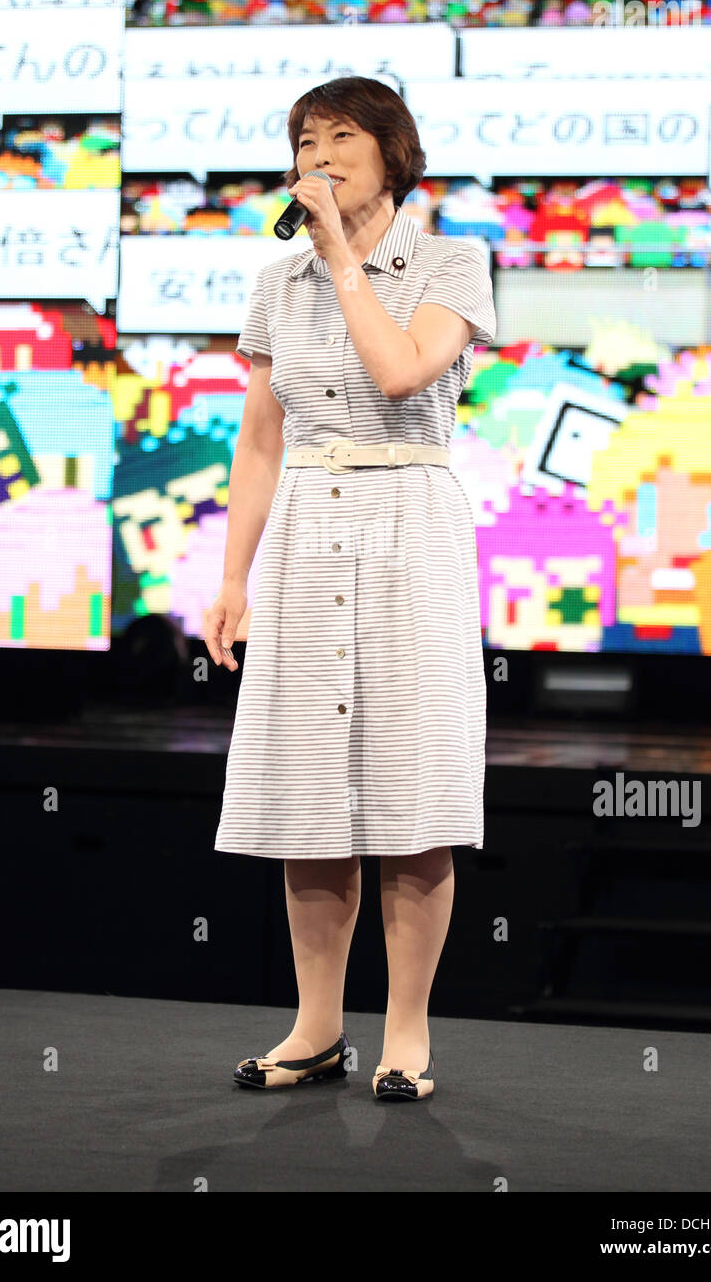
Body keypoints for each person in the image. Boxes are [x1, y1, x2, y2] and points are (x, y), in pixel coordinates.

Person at [205, 76, 496, 1103]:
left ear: (391, 154)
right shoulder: (275, 281)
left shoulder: (451, 262)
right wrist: (231, 576)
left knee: (411, 790)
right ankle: (316, 1028)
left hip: (409, 524)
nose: (317, 157)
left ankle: (405, 1034)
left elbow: (402, 372)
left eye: (340, 137)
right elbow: (259, 441)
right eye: (304, 141)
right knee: (309, 789)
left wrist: (341, 259)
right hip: (306, 530)